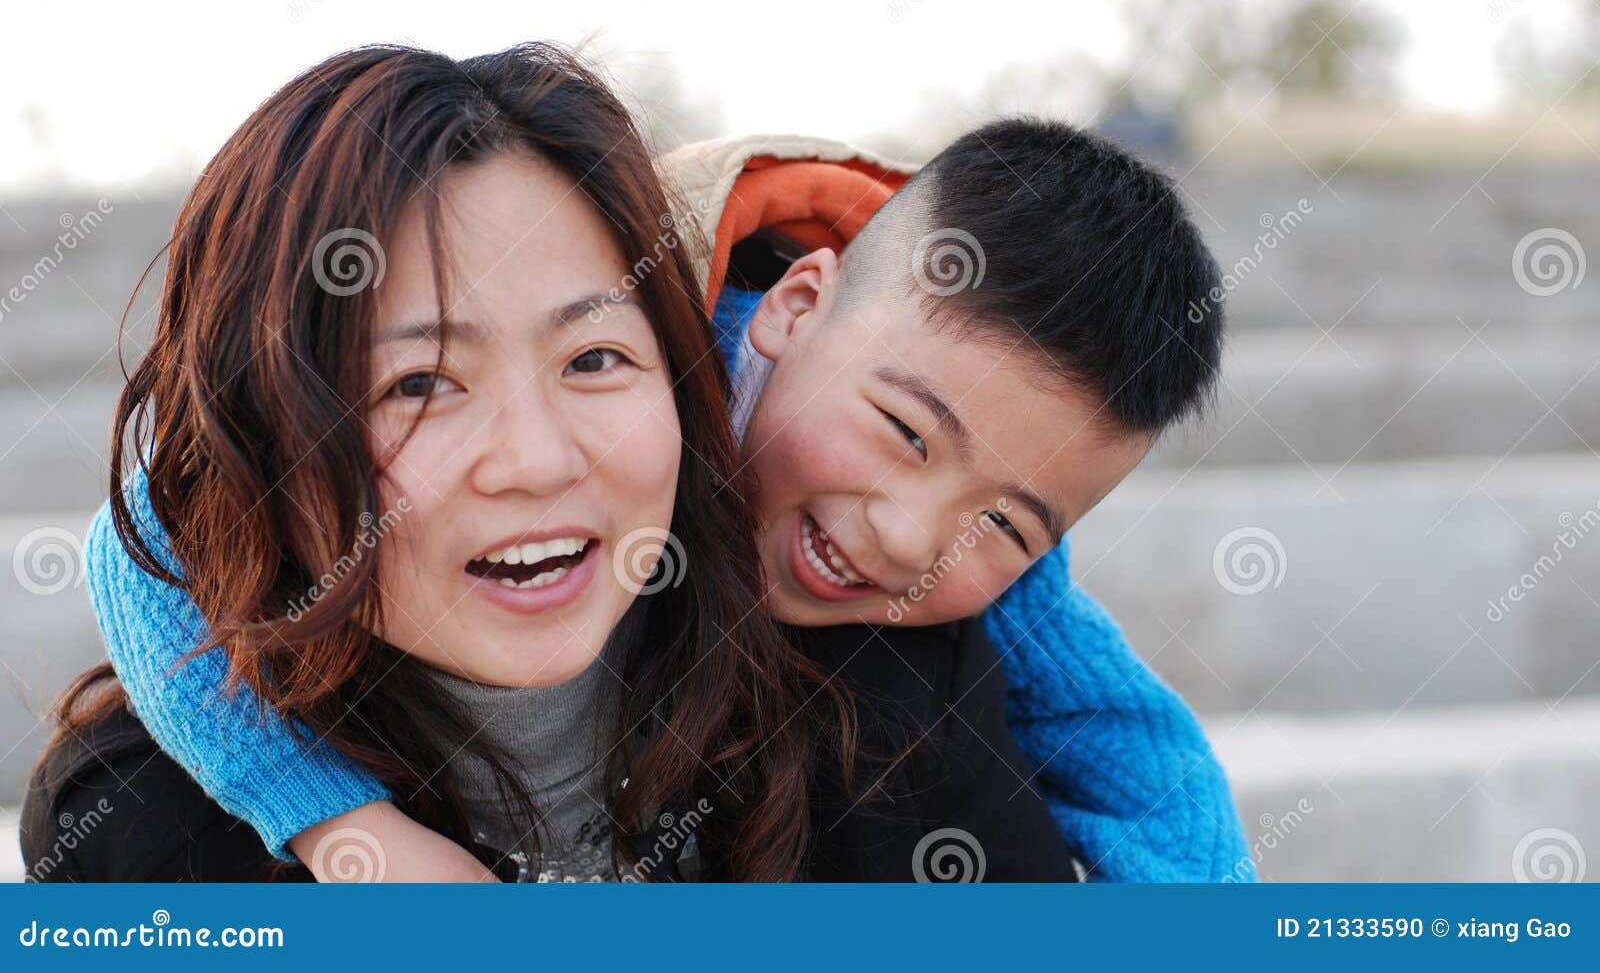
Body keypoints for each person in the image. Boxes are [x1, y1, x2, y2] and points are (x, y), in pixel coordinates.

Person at [20, 43, 1076, 883]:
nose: (532, 460)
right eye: (419, 385)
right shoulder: (151, 839)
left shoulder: (876, 697)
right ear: (267, 448)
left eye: (595, 357)